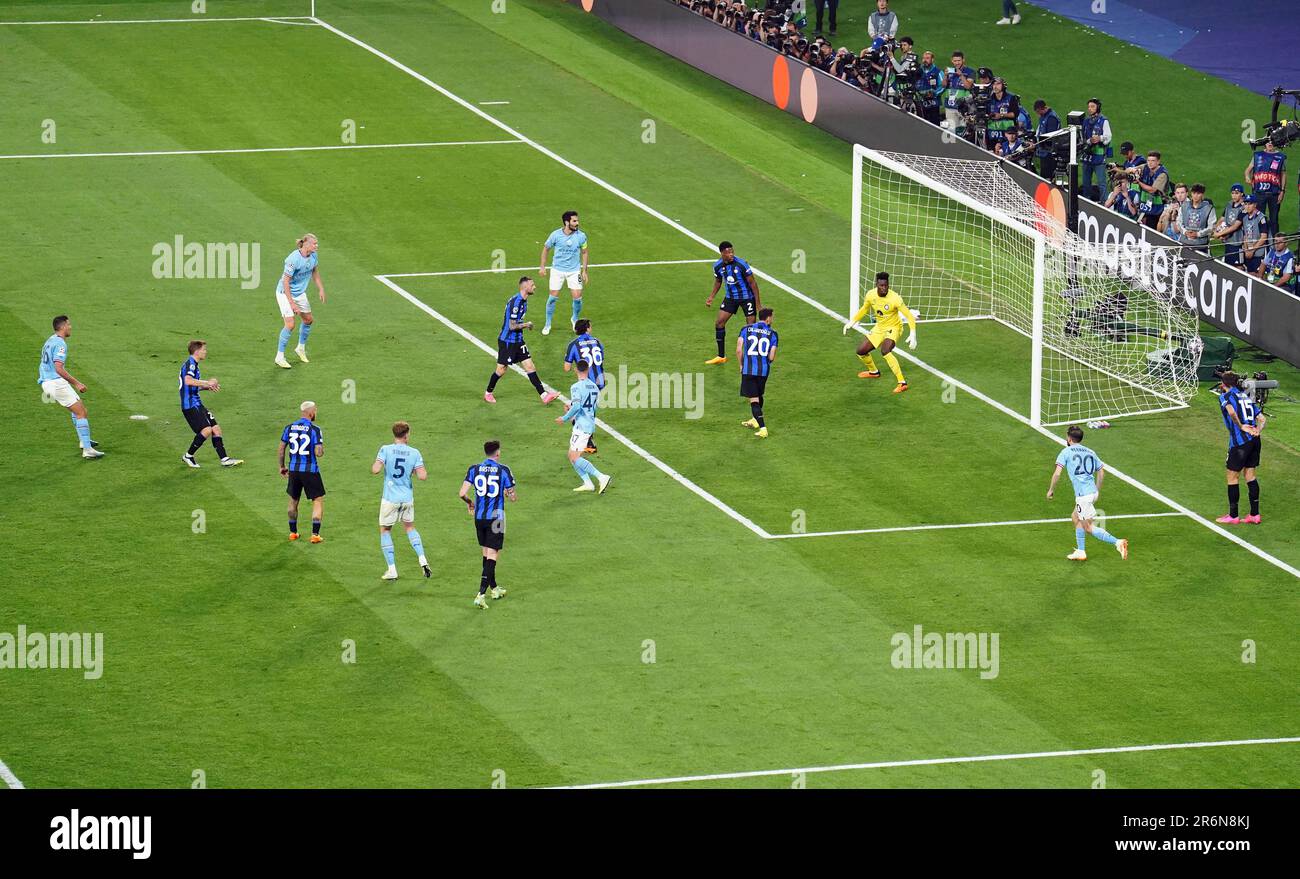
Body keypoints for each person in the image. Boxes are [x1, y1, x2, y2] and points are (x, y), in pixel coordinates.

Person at [1046, 425, 1128, 561]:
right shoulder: (1091, 452)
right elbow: (1101, 472)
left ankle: (1118, 542)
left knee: (1088, 527)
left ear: (1069, 438)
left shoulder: (1066, 452)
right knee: (1075, 516)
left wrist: (1051, 490)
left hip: (1083, 496)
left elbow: (1057, 473)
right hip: (1092, 493)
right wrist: (1097, 489)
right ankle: (1081, 551)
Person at [485, 276, 561, 405]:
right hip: (508, 341)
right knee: (501, 369)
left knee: (530, 366)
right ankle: (488, 393)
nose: (535, 287)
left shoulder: (523, 301)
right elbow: (512, 326)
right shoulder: (517, 302)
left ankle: (544, 396)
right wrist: (526, 325)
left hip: (518, 340)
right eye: (532, 285)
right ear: (525, 287)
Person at [459, 440, 517, 609]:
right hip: (496, 517)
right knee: (492, 555)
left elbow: (462, 493)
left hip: (479, 517)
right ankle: (481, 594)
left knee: (486, 553)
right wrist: (508, 493)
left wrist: (470, 502)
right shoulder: (503, 470)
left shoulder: (474, 469)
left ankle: (494, 588)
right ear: (497, 453)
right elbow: (513, 498)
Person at [38, 314, 103, 459]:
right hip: (56, 382)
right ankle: (87, 449)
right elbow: (58, 368)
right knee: (81, 412)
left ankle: (84, 441)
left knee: (77, 409)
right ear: (62, 327)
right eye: (69, 324)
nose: (70, 327)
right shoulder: (61, 344)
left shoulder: (50, 340)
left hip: (47, 382)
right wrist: (77, 383)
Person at [842, 271, 917, 394]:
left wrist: (913, 334)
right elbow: (864, 309)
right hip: (879, 328)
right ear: (876, 284)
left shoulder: (895, 298)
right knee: (861, 351)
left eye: (886, 285)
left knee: (885, 350)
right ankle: (874, 372)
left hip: (894, 328)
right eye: (881, 286)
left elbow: (909, 316)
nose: (884, 288)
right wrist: (852, 322)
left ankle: (902, 383)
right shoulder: (871, 295)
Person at [372, 421, 430, 581]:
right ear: (407, 435)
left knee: (385, 530)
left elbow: (375, 470)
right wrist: (412, 470)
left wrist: (384, 465)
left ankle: (392, 570)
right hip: (407, 498)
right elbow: (423, 476)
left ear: (394, 434)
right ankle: (422, 559)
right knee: (410, 527)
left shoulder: (385, 449)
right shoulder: (414, 453)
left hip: (390, 498)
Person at [179, 340, 242, 469]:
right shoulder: (190, 364)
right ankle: (188, 455)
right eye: (204, 350)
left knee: (216, 429)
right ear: (196, 351)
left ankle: (224, 459)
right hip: (190, 406)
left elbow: (190, 386)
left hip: (197, 403)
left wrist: (206, 387)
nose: (205, 352)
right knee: (207, 430)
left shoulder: (193, 365)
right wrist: (207, 383)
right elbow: (188, 381)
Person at [555, 360, 611, 493]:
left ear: (575, 370)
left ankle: (601, 477)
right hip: (589, 424)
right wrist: (573, 411)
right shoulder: (595, 388)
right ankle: (588, 483)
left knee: (574, 457)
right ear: (589, 370)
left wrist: (565, 417)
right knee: (571, 455)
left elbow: (578, 406)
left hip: (582, 427)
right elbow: (593, 408)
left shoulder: (576, 387)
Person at [1214, 372, 1263, 525]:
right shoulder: (1246, 396)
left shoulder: (1226, 397)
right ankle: (1254, 515)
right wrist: (1257, 430)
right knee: (1250, 475)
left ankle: (1233, 516)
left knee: (1232, 477)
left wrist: (1241, 426)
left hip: (1240, 443)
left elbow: (1231, 412)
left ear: (1224, 384)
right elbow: (1262, 418)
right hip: (1255, 440)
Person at [704, 241, 762, 365]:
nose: (731, 254)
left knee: (751, 328)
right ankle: (721, 356)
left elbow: (753, 283)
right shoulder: (718, 266)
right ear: (722, 253)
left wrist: (758, 304)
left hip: (747, 298)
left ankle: (751, 357)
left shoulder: (741, 264)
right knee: (719, 323)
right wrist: (711, 296)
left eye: (732, 251)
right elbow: (718, 281)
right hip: (730, 298)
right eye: (728, 252)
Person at [273, 233, 325, 369]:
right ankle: (279, 357)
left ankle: (300, 348)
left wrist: (321, 289)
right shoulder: (293, 259)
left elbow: (315, 272)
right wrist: (292, 303)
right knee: (290, 324)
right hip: (285, 293)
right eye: (315, 243)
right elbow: (285, 281)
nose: (317, 246)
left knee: (308, 320)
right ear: (306, 244)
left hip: (299, 293)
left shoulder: (313, 256)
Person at [279, 401, 325, 543]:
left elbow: (281, 449)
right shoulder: (314, 429)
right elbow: (319, 453)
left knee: (293, 500)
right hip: (310, 469)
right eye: (315, 411)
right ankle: (315, 535)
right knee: (317, 500)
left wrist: (282, 466)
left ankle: (293, 533)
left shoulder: (289, 427)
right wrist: (320, 448)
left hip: (293, 469)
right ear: (311, 413)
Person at [539, 210, 589, 335]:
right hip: (557, 271)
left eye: (577, 220)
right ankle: (548, 323)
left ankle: (574, 318)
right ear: (567, 222)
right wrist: (542, 267)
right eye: (574, 221)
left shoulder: (581, 236)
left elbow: (585, 252)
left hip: (574, 271)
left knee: (577, 298)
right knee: (552, 298)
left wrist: (584, 271)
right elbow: (546, 248)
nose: (577, 223)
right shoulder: (555, 235)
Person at [564, 319, 605, 453]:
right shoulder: (597, 341)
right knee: (589, 410)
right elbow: (600, 360)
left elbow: (566, 368)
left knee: (573, 409)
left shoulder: (573, 345)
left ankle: (588, 441)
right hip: (600, 383)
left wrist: (578, 367)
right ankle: (588, 439)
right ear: (587, 328)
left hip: (587, 384)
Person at [737, 307, 778, 438]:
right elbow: (771, 357)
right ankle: (755, 420)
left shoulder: (745, 329)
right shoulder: (773, 334)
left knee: (754, 400)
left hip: (749, 370)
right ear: (768, 318)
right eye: (772, 317)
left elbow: (738, 350)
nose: (773, 319)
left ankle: (763, 429)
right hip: (763, 371)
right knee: (759, 395)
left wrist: (741, 364)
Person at [1244, 139, 1287, 243]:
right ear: (1265, 144)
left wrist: (1282, 191)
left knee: (1274, 220)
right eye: (1268, 142)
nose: (1270, 144)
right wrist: (1247, 177)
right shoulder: (1257, 155)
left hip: (1274, 193)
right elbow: (1247, 170)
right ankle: (1260, 242)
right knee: (1259, 218)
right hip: (1259, 193)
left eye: (1272, 142)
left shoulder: (1281, 157)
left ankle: (1275, 243)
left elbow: (1283, 174)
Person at [1079, 98, 1112, 202]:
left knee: (1102, 183)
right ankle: (1086, 201)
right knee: (1086, 182)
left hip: (1099, 156)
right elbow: (1082, 137)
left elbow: (1108, 136)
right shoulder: (1086, 121)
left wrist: (1100, 138)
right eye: (1089, 107)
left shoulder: (1103, 121)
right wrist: (1088, 141)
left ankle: (1105, 204)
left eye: (1092, 106)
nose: (1090, 109)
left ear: (1098, 107)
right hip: (1087, 156)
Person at [1173, 183, 1217, 252]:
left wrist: (1198, 234)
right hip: (1184, 243)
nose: (1195, 196)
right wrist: (1185, 232)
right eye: (1194, 193)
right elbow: (1179, 222)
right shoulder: (1184, 206)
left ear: (1202, 194)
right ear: (1191, 193)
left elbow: (1211, 227)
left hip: (1201, 245)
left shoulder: (1209, 208)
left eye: (1198, 193)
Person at [1133, 151, 1170, 229]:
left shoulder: (1162, 174)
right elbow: (1130, 169)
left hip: (1157, 206)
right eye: (1148, 160)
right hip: (1145, 204)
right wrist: (1132, 172)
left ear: (1158, 162)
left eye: (1153, 161)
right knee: (1140, 225)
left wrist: (1139, 182)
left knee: (1152, 228)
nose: (1150, 163)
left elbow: (1152, 190)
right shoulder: (1145, 167)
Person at [1211, 184, 1247, 266]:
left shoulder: (1244, 207)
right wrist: (1215, 229)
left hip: (1238, 242)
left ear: (1242, 194)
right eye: (1233, 193)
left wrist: (1220, 234)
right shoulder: (1229, 204)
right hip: (1228, 241)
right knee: (1229, 264)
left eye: (1237, 193)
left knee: (1239, 266)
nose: (1234, 195)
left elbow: (1235, 226)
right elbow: (1222, 218)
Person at [942, 52, 975, 137]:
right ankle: (952, 149)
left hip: (964, 107)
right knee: (951, 133)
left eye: (959, 60)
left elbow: (968, 86)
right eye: (955, 61)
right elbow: (943, 85)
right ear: (952, 61)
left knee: (964, 132)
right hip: (950, 107)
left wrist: (961, 75)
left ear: (963, 60)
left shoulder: (970, 72)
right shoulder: (949, 71)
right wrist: (945, 76)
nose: (957, 63)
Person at [985, 77, 1019, 153]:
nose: (995, 86)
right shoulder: (989, 99)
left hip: (1008, 134)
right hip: (992, 133)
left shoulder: (1011, 98)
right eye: (993, 84)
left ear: (1003, 86)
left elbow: (1015, 114)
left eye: (998, 84)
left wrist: (1001, 115)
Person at [1238, 195, 1270, 274]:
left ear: (1255, 205)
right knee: (1249, 274)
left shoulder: (1261, 218)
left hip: (1259, 253)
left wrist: (1252, 250)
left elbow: (1263, 237)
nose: (1247, 206)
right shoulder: (1245, 218)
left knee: (1258, 276)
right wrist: (1246, 250)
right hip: (1248, 253)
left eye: (1250, 204)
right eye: (1245, 204)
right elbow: (1245, 236)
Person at [1032, 100, 1061, 180]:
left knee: (1047, 177)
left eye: (1038, 111)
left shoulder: (1051, 118)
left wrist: (1037, 144)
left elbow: (1050, 137)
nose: (1037, 114)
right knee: (1043, 175)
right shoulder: (1043, 116)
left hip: (1049, 152)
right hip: (1043, 151)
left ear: (1043, 108)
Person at [914, 51, 943, 125]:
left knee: (934, 125)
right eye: (923, 58)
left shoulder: (938, 72)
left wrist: (934, 93)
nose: (925, 60)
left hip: (933, 104)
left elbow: (942, 86)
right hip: (920, 102)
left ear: (932, 59)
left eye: (927, 58)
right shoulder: (918, 70)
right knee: (921, 124)